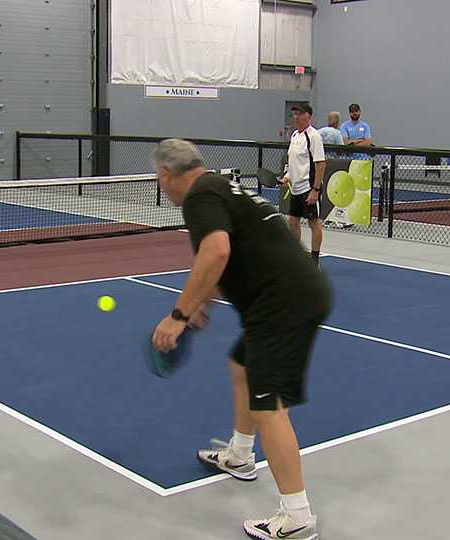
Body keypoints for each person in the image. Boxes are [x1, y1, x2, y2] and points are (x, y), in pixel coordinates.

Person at [151, 138, 331, 540]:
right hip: (295, 292)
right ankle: (240, 454)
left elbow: (215, 253)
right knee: (242, 366)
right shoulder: (217, 186)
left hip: (283, 303)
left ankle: (297, 514)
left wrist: (179, 315)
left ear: (166, 175)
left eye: (160, 180)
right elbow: (233, 256)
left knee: (269, 403)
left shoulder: (200, 198)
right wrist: (203, 304)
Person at [282, 103, 327, 263]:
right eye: (294, 114)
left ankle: (314, 260)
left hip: (308, 188)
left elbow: (320, 164)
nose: (296, 117)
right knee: (292, 221)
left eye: (299, 114)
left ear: (308, 116)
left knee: (314, 223)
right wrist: (287, 177)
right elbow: (294, 162)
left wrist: (315, 189)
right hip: (295, 189)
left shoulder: (314, 136)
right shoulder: (294, 136)